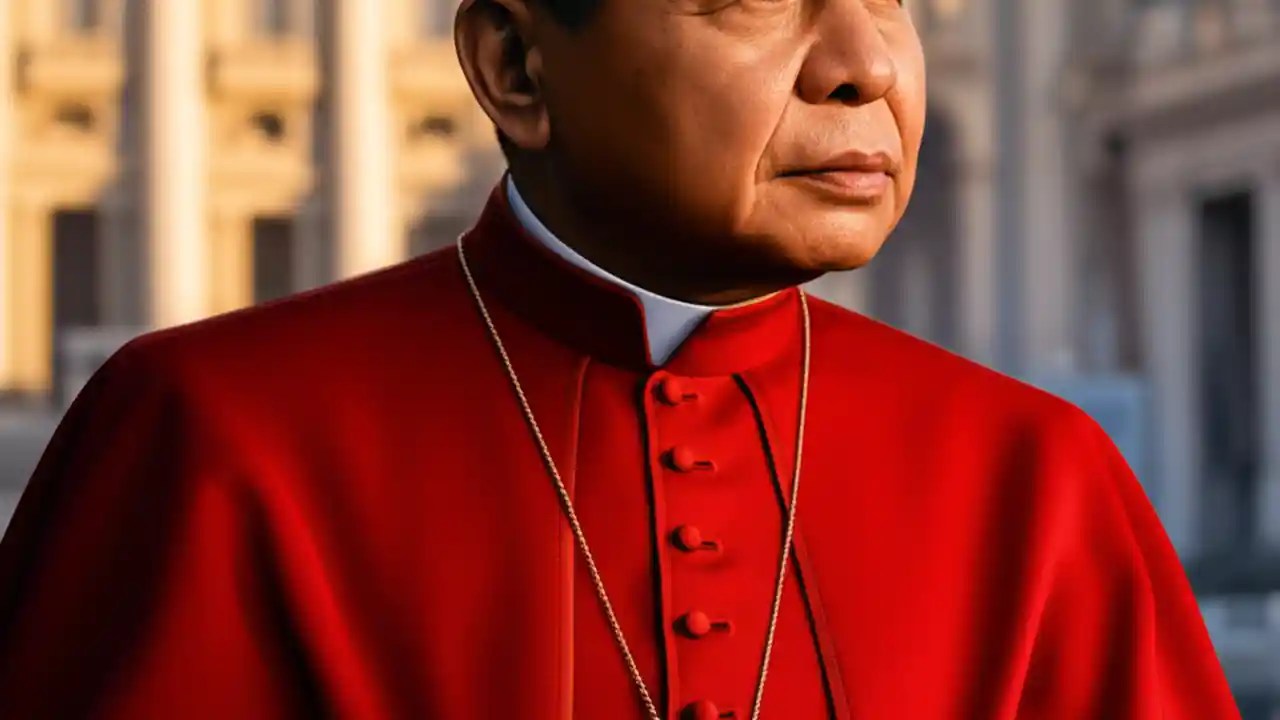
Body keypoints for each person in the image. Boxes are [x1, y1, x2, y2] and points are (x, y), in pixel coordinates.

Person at [0, 0, 1242, 716]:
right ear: (516, 66)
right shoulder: (206, 440)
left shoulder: (1041, 478)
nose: (864, 64)